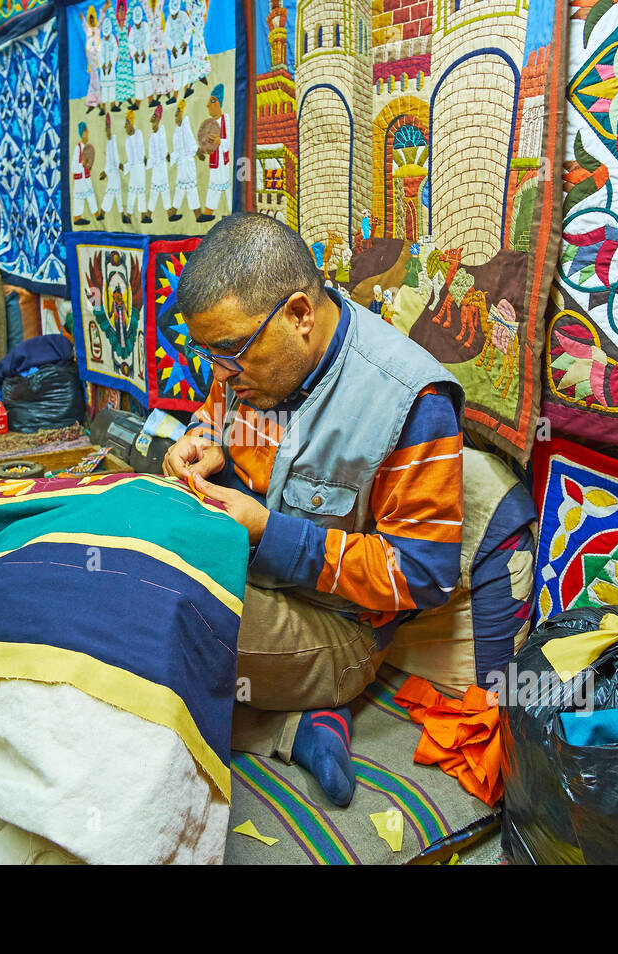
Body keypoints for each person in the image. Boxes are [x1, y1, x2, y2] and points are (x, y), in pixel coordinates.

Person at [162, 213, 465, 805]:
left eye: (229, 353)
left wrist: (267, 534)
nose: (220, 374)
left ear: (300, 314)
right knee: (108, 531)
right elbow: (216, 419)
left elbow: (423, 574)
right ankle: (295, 724)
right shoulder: (252, 360)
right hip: (243, 574)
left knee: (144, 610)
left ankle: (305, 707)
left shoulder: (411, 400)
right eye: (209, 356)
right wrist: (198, 445)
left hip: (337, 631)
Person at [199, 83, 230, 220]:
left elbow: (229, 141)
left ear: (217, 102)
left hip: (223, 161)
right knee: (214, 187)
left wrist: (220, 141)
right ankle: (208, 213)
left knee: (228, 187)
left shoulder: (225, 119)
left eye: (211, 101)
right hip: (214, 160)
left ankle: (231, 213)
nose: (207, 105)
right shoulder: (210, 123)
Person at [170, 98, 199, 221]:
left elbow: (191, 141)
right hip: (182, 163)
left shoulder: (185, 126)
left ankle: (174, 213)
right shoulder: (177, 131)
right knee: (185, 188)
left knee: (186, 188)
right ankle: (196, 215)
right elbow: (177, 150)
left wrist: (197, 152)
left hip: (187, 161)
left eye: (177, 115)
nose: (176, 118)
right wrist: (172, 158)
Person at [146, 104, 171, 220]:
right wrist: (148, 162)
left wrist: (168, 157)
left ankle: (169, 213)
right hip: (156, 167)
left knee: (164, 190)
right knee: (155, 191)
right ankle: (148, 214)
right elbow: (152, 154)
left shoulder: (161, 131)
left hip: (162, 165)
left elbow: (164, 149)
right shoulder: (152, 136)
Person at [123, 109, 147, 225]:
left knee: (141, 192)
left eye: (126, 123)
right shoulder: (128, 141)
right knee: (132, 193)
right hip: (134, 169)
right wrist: (126, 167)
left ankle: (143, 215)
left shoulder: (138, 134)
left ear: (131, 123)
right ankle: (129, 215)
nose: (124, 127)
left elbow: (140, 154)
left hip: (140, 168)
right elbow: (131, 160)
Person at [71, 122, 99, 224]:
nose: (88, 132)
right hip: (80, 179)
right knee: (80, 199)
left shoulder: (87, 148)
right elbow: (73, 167)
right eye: (86, 130)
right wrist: (81, 164)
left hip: (86, 177)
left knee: (90, 196)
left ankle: (97, 215)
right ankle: (77, 218)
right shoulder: (78, 148)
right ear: (83, 132)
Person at [98, 112, 122, 220]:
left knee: (112, 193)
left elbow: (115, 157)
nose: (106, 131)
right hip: (112, 172)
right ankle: (122, 215)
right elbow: (108, 161)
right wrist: (106, 172)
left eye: (107, 128)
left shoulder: (113, 140)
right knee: (116, 194)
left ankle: (103, 213)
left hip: (115, 172)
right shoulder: (108, 142)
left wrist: (118, 166)